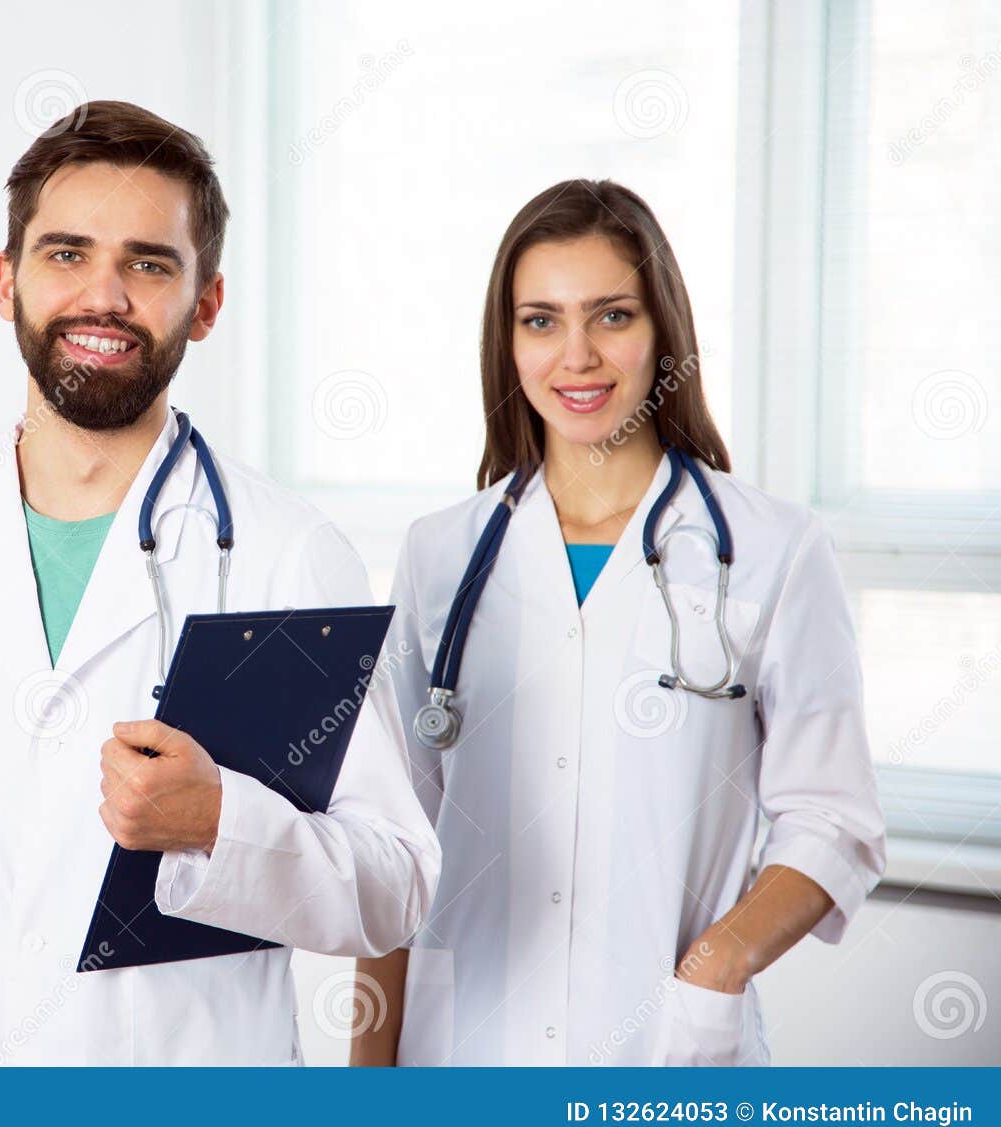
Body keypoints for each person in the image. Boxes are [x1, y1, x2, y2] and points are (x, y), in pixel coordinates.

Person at [0, 100, 440, 1065]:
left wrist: (223, 823)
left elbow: (395, 883)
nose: (104, 296)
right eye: (66, 254)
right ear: (6, 281)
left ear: (206, 304)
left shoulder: (286, 555)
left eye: (149, 263)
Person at [351, 180, 885, 1067]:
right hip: (462, 1050)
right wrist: (362, 1085)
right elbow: (389, 841)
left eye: (612, 315)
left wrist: (719, 963)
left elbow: (834, 817)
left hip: (664, 1052)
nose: (578, 356)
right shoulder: (441, 554)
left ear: (662, 329)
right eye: (541, 321)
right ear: (507, 343)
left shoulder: (770, 550)